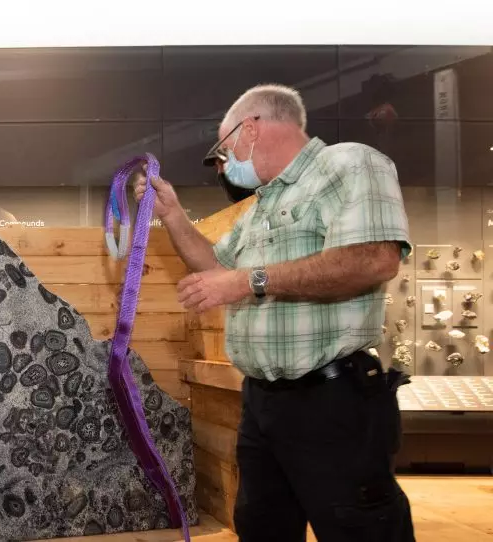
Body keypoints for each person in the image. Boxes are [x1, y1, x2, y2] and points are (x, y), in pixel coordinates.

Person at [134, 84, 415, 542]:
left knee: (358, 527)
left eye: (223, 152)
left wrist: (249, 280)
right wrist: (173, 216)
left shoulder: (348, 164)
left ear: (251, 128)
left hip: (332, 401)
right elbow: (218, 269)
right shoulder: (261, 205)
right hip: (264, 403)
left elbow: (373, 259)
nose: (224, 167)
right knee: (262, 527)